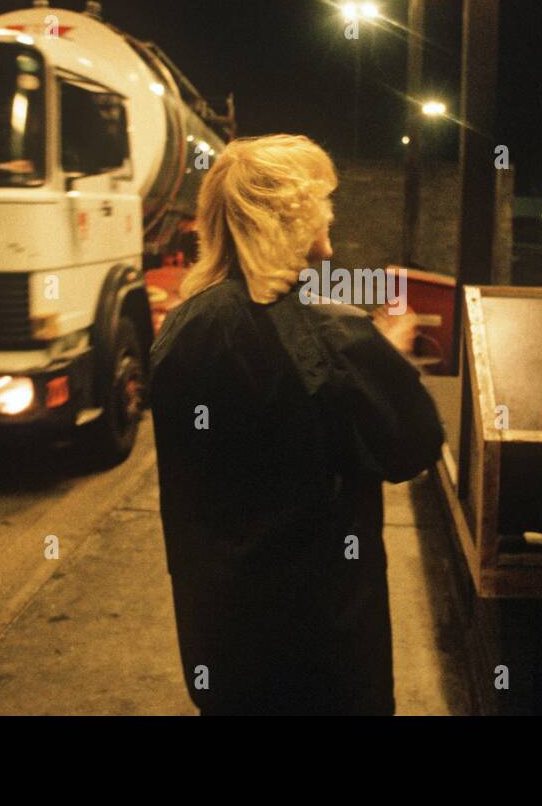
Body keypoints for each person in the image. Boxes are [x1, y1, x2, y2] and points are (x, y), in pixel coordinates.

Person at [149, 133, 444, 715]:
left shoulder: (184, 325)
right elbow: (412, 446)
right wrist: (386, 355)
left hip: (221, 629)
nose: (331, 212)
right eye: (323, 201)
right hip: (321, 639)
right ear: (294, 216)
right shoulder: (333, 331)